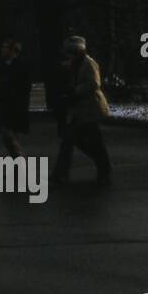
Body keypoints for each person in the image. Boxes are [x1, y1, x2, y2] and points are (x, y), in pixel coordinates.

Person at [55, 36, 112, 186]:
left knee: (86, 140)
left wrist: (75, 91)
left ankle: (103, 168)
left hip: (90, 108)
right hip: (81, 109)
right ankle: (102, 167)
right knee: (77, 139)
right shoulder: (74, 64)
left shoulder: (88, 63)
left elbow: (94, 84)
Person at [0, 39, 31, 155]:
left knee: (8, 135)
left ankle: (19, 161)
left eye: (5, 48)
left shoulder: (20, 66)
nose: (2, 50)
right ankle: (17, 166)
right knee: (10, 137)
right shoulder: (3, 66)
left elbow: (24, 87)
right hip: (4, 106)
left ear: (12, 51)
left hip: (15, 106)